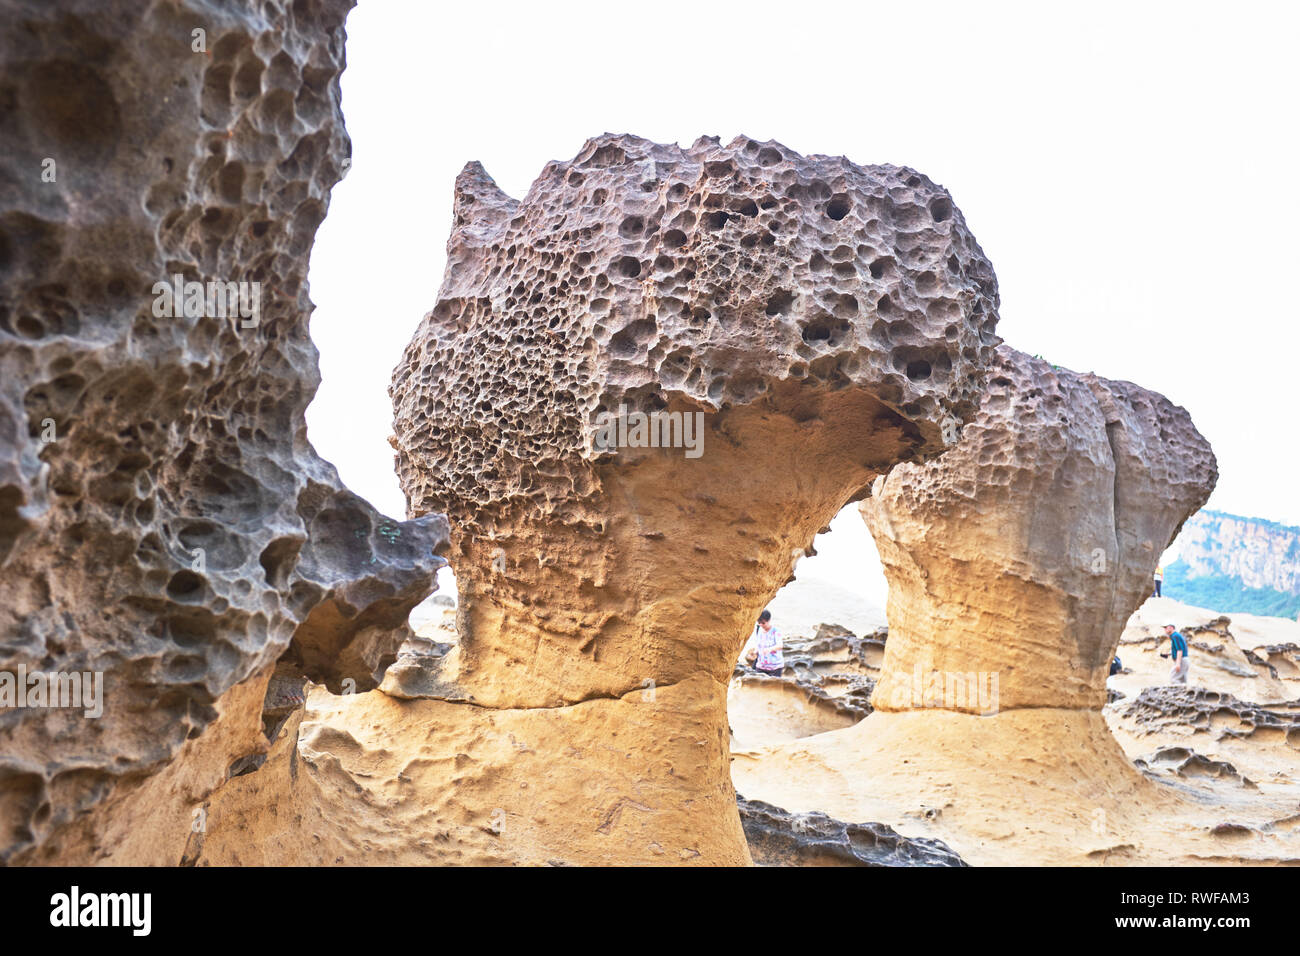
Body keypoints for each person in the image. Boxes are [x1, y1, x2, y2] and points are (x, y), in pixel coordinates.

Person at [750, 609, 784, 676]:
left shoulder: (775, 631)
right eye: (759, 623)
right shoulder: (759, 629)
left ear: (769, 620)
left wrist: (769, 649)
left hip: (775, 667)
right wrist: (755, 651)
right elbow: (758, 643)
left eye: (763, 623)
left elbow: (780, 645)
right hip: (761, 666)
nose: (761, 625)